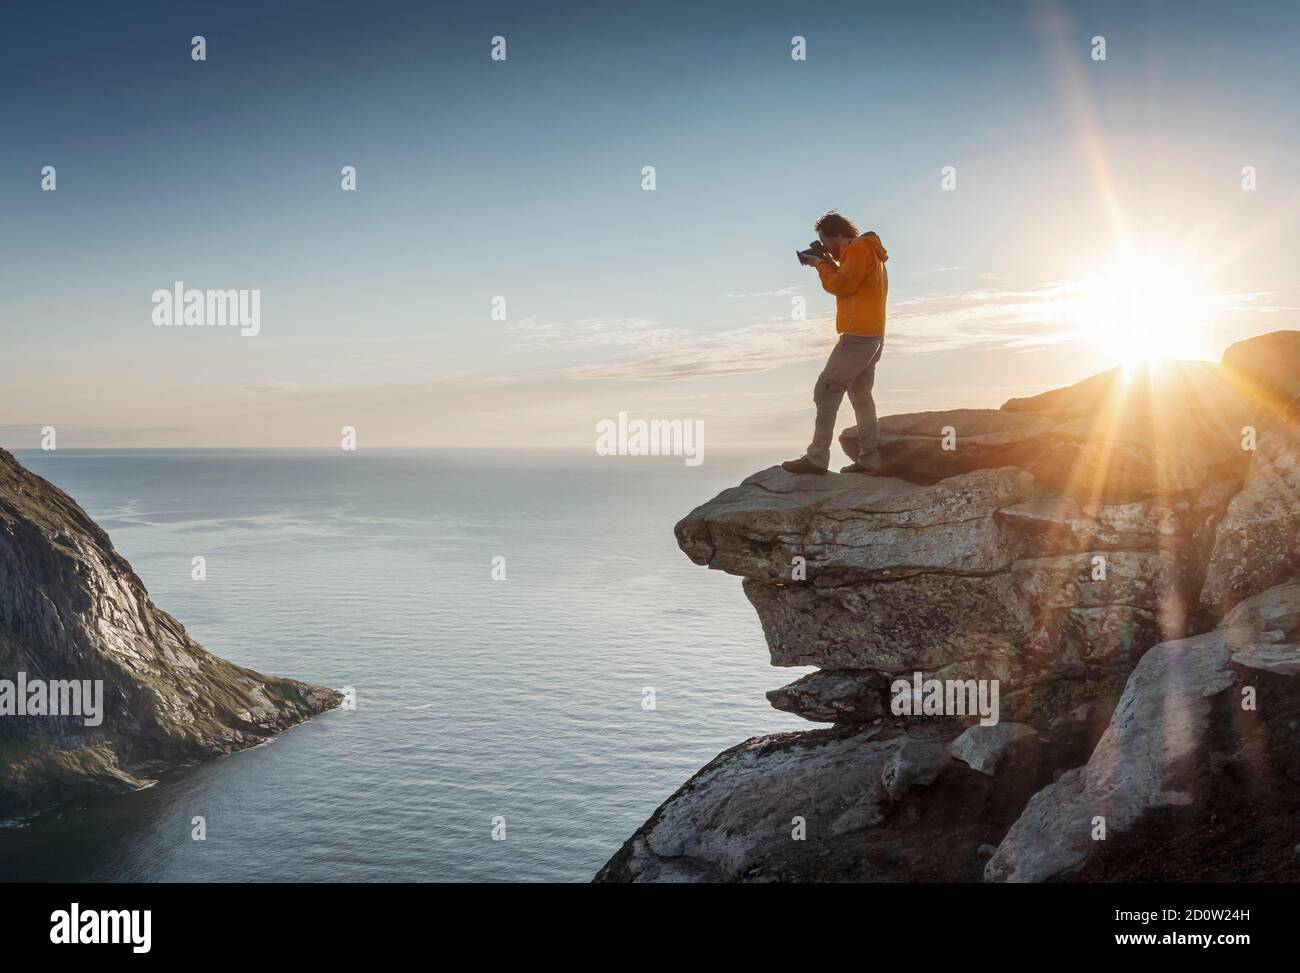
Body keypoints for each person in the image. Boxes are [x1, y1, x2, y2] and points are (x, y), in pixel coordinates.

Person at [782, 212, 890, 475]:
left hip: (858, 336)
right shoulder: (867, 251)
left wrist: (821, 264)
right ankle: (870, 458)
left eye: (824, 240)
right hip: (873, 334)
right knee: (861, 395)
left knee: (826, 391)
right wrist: (827, 260)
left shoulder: (859, 247)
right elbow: (851, 277)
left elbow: (842, 285)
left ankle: (817, 457)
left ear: (837, 235)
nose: (825, 246)